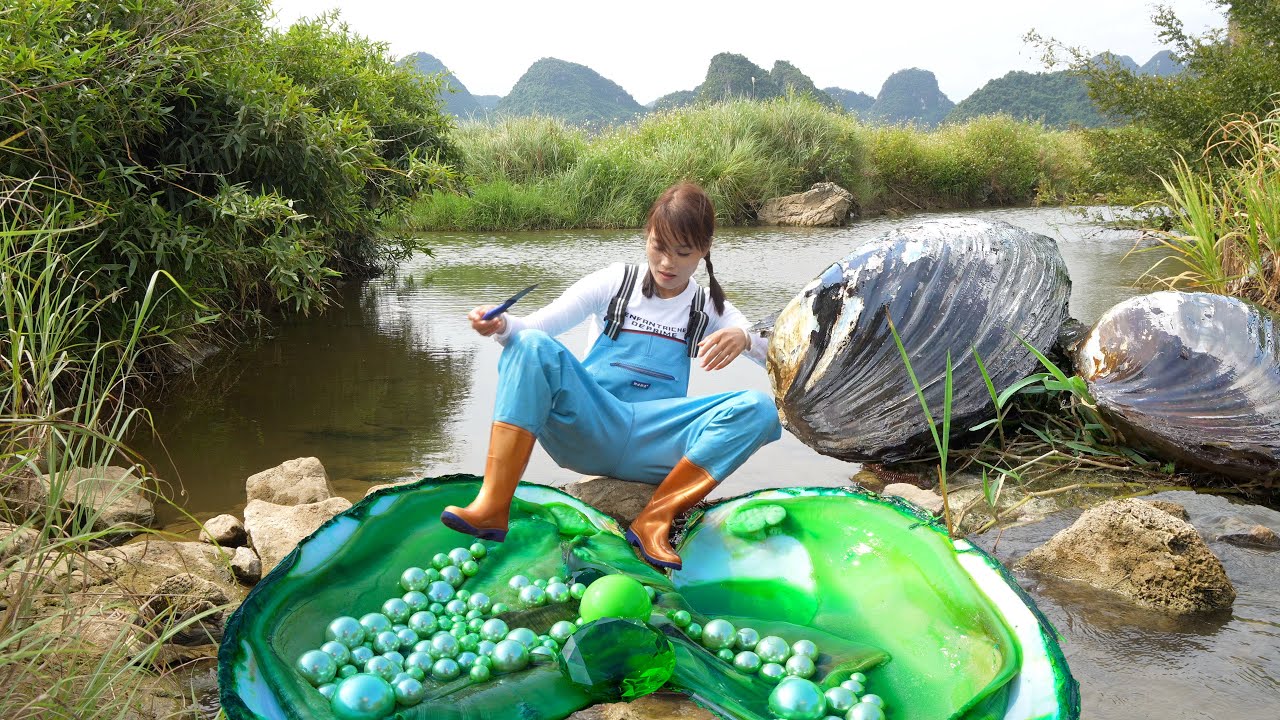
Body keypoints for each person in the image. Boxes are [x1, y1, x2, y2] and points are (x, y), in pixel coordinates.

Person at [440, 182, 782, 570]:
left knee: (759, 409)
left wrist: (745, 335)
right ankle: (492, 504)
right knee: (532, 345)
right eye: (658, 246)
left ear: (704, 250)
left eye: (682, 252)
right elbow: (535, 328)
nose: (667, 263)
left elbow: (779, 357)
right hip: (591, 426)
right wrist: (500, 324)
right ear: (646, 237)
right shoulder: (615, 282)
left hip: (656, 442)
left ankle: (654, 518)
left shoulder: (709, 307)